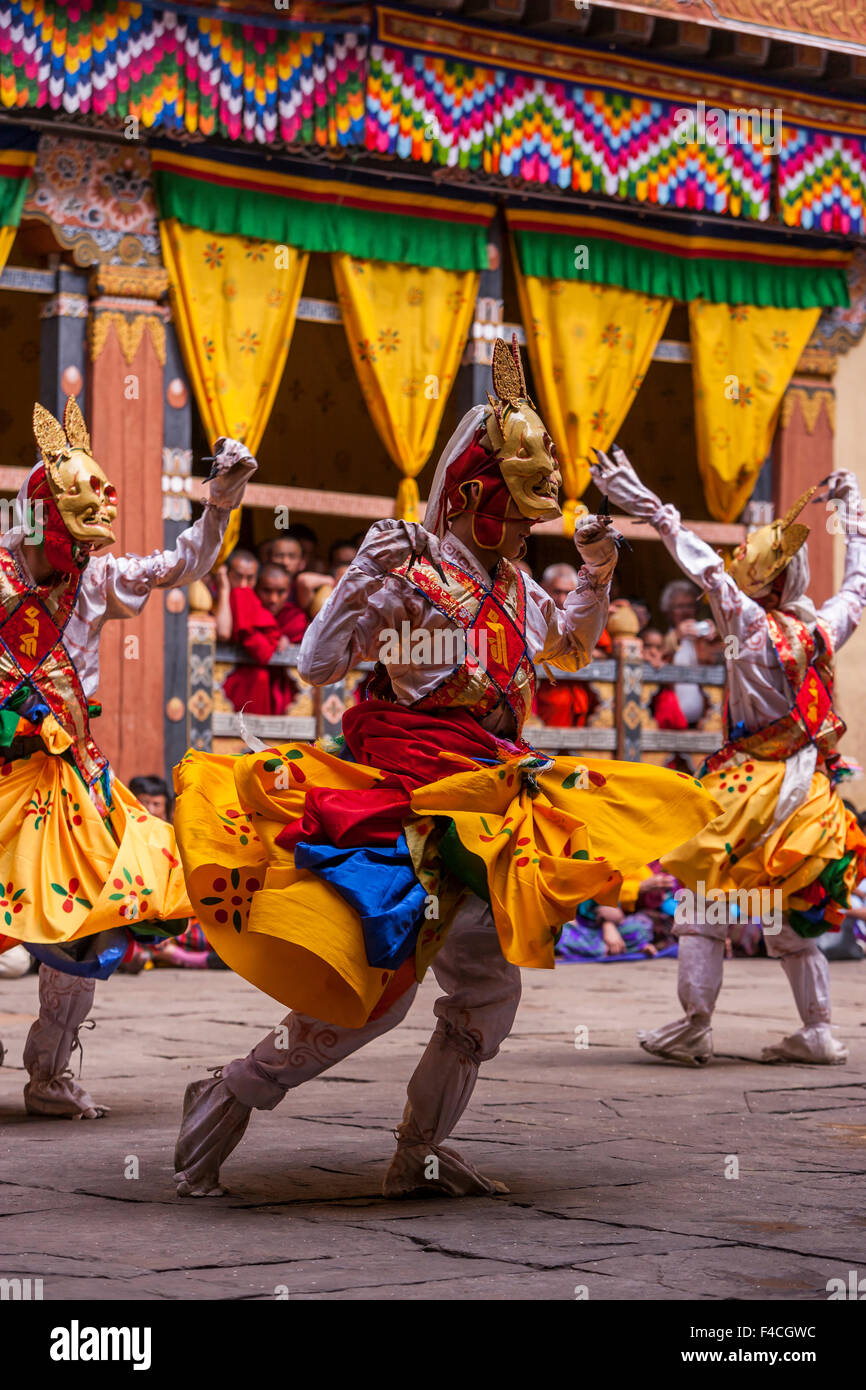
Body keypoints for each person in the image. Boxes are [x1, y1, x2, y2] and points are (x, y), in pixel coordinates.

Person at [170, 337, 716, 1199]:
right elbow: (315, 663)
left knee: (488, 993)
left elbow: (571, 647)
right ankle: (233, 1090)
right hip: (410, 801)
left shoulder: (514, 586)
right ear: (474, 497)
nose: (531, 527)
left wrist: (601, 572)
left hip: (492, 796)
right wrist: (357, 577)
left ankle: (418, 1151)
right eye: (521, 509)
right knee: (373, 996)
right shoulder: (409, 567)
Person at [0, 401, 255, 1116]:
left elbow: (181, 564)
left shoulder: (97, 576)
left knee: (89, 924)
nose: (84, 547)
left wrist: (221, 503)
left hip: (74, 783)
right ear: (41, 516)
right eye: (73, 526)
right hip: (2, 776)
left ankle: (49, 1075)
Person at [591, 445, 866, 1066]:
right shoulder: (826, 627)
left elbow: (706, 573)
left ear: (765, 581)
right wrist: (853, 518)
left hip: (749, 783)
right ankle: (819, 1030)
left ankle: (695, 1024)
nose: (736, 564)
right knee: (792, 909)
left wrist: (650, 508)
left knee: (703, 904)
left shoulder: (747, 625)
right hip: (809, 786)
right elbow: (858, 584)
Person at [222, 563, 299, 716]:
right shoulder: (241, 599)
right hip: (243, 690)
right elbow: (261, 651)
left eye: (281, 592)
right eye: (266, 591)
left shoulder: (294, 616)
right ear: (256, 587)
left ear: (289, 592)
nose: (273, 599)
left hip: (283, 701)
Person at [535, 561, 598, 728]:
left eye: (567, 593)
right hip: (545, 692)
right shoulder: (532, 614)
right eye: (556, 592)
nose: (562, 600)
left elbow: (604, 647)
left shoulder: (584, 616)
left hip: (578, 694)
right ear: (542, 588)